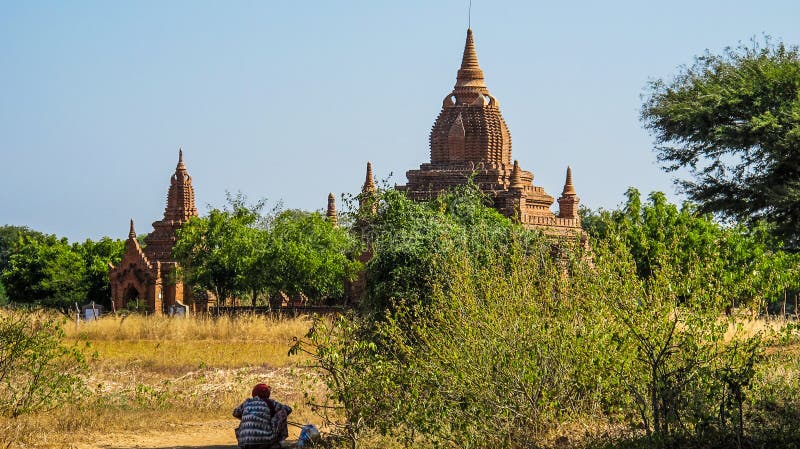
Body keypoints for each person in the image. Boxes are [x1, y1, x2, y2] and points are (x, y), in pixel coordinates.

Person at [233, 383, 293, 449]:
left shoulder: (247, 402)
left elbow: (235, 413)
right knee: (282, 412)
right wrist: (272, 416)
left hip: (244, 442)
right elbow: (288, 409)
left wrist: (249, 417)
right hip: (264, 441)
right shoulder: (270, 402)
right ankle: (276, 441)